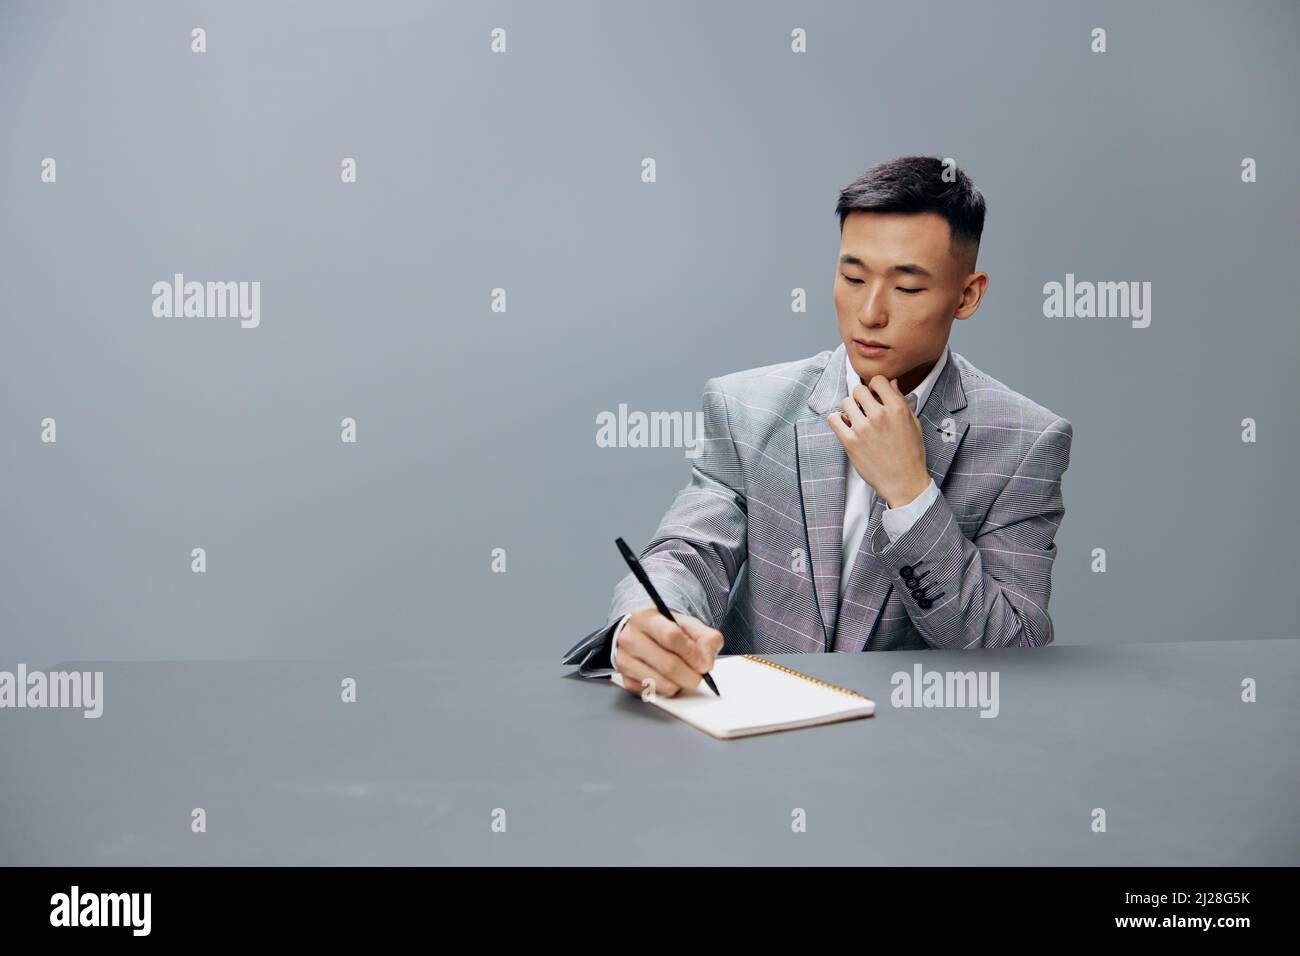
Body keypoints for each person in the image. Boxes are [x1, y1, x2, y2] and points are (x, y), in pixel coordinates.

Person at [563, 156, 1073, 698]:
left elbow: (1014, 648)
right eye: (852, 277)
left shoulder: (1027, 442)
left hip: (923, 752)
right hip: (753, 741)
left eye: (906, 289)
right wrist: (645, 623)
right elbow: (690, 552)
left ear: (967, 295)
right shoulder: (747, 408)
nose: (869, 313)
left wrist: (911, 496)